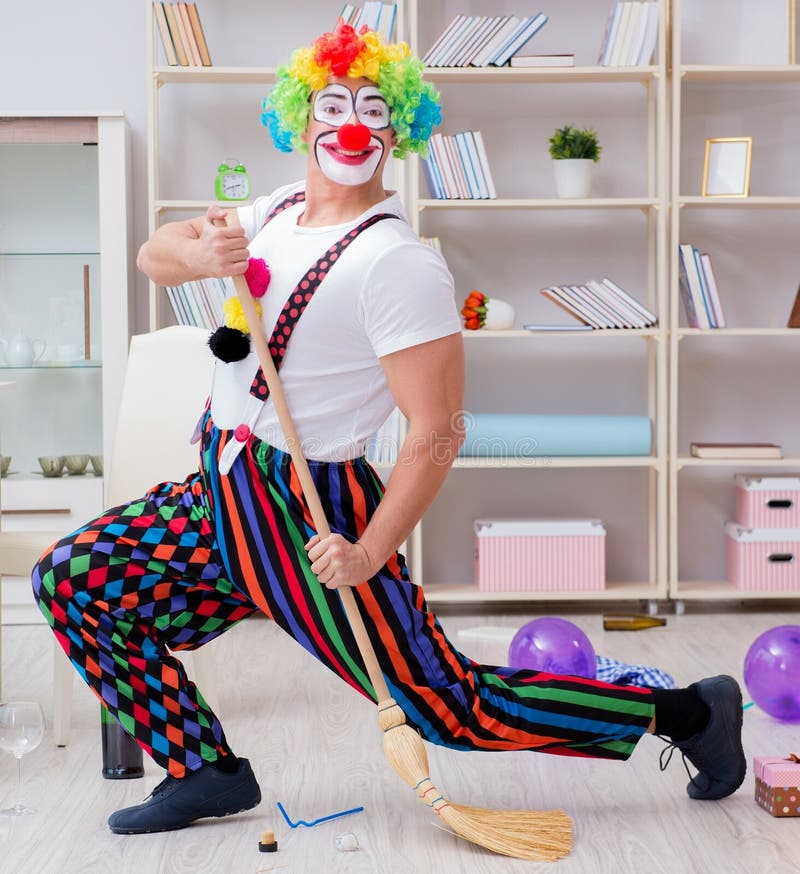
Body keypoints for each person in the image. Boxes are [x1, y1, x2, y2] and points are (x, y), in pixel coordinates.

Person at [32, 21, 745, 836]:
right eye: (333, 104)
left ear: (396, 129)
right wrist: (201, 254)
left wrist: (369, 549)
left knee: (449, 707)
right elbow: (156, 253)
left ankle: (689, 714)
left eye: (373, 109)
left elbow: (437, 429)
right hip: (219, 490)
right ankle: (204, 769)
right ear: (300, 119)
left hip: (309, 512)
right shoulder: (274, 210)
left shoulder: (397, 262)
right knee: (74, 582)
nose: (351, 125)